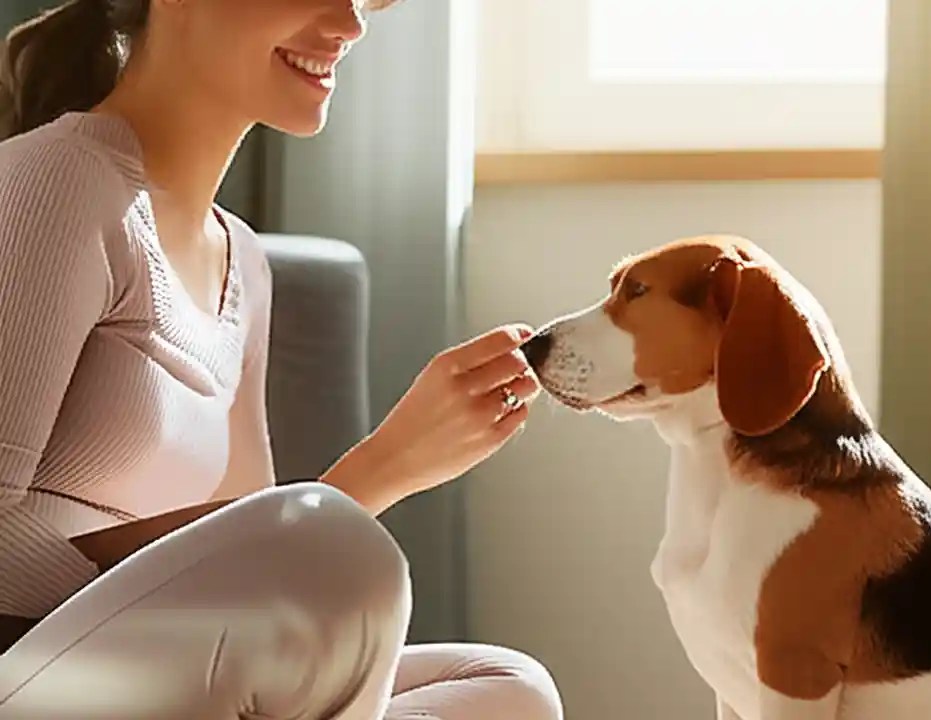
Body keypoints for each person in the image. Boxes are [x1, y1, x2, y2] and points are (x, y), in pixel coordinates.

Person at [0, 0, 561, 718]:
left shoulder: (244, 264)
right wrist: (371, 471)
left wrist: (394, 465)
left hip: (149, 682)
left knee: (506, 689)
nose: (350, 24)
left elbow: (257, 564)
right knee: (329, 553)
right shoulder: (59, 180)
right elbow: (271, 557)